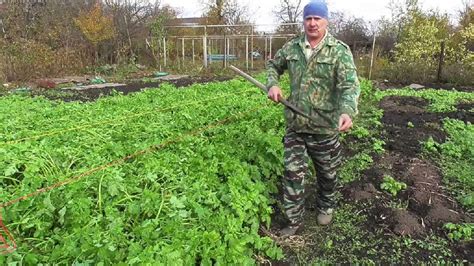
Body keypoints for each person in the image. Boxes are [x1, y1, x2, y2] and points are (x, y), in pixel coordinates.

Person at [266, 0, 360, 237]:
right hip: (296, 125)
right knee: (292, 172)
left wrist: (347, 111)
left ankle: (326, 205)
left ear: (326, 21)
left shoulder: (339, 51)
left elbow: (349, 85)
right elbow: (273, 66)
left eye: (317, 18)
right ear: (304, 21)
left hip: (324, 126)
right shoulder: (292, 47)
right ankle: (293, 220)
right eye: (308, 18)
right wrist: (273, 84)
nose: (312, 23)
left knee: (327, 173)